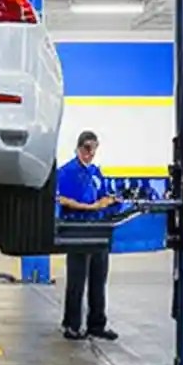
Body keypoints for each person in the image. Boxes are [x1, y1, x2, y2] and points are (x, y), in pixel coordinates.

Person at [55, 130, 119, 341]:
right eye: (86, 149)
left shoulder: (95, 173)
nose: (89, 154)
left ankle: (96, 324)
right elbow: (62, 198)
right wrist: (88, 207)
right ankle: (71, 324)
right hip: (77, 230)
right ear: (78, 148)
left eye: (93, 149)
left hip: (97, 229)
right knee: (76, 280)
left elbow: (103, 196)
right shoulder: (67, 171)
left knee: (98, 279)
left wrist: (108, 201)